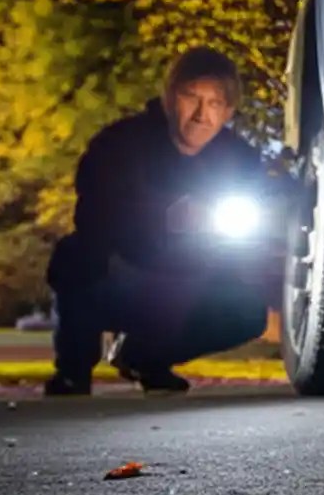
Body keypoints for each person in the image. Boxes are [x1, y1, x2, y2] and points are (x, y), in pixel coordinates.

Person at [43, 47, 281, 395]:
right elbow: (92, 217)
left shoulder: (239, 160)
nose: (202, 114)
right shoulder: (119, 145)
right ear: (170, 97)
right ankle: (73, 369)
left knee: (245, 310)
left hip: (194, 279)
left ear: (228, 111)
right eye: (192, 98)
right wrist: (161, 215)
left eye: (215, 104)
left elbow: (258, 215)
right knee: (73, 256)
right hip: (124, 272)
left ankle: (145, 357)